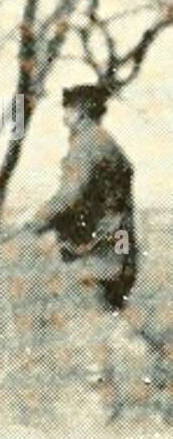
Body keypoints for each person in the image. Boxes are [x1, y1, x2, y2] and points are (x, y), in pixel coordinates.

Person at [25, 83, 153, 421]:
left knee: (89, 332)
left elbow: (70, 196)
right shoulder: (110, 146)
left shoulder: (86, 145)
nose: (63, 116)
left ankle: (102, 411)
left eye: (66, 109)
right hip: (119, 256)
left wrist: (35, 223)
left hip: (95, 260)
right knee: (108, 326)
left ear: (77, 112)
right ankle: (131, 392)